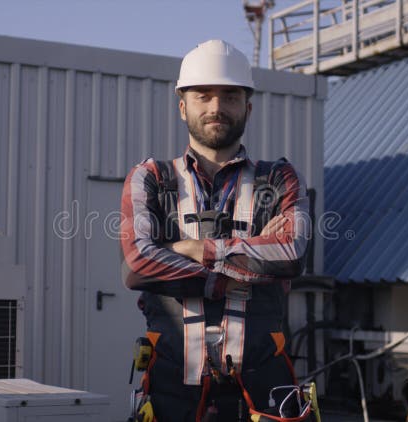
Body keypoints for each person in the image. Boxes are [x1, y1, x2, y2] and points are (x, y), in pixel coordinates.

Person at [120, 39, 311, 422]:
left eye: (230, 96)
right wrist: (249, 260)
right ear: (182, 106)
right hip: (171, 387)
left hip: (264, 390)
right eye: (203, 96)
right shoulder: (151, 179)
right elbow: (138, 264)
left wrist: (192, 248)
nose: (216, 107)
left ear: (248, 107)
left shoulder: (279, 179)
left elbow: (290, 255)